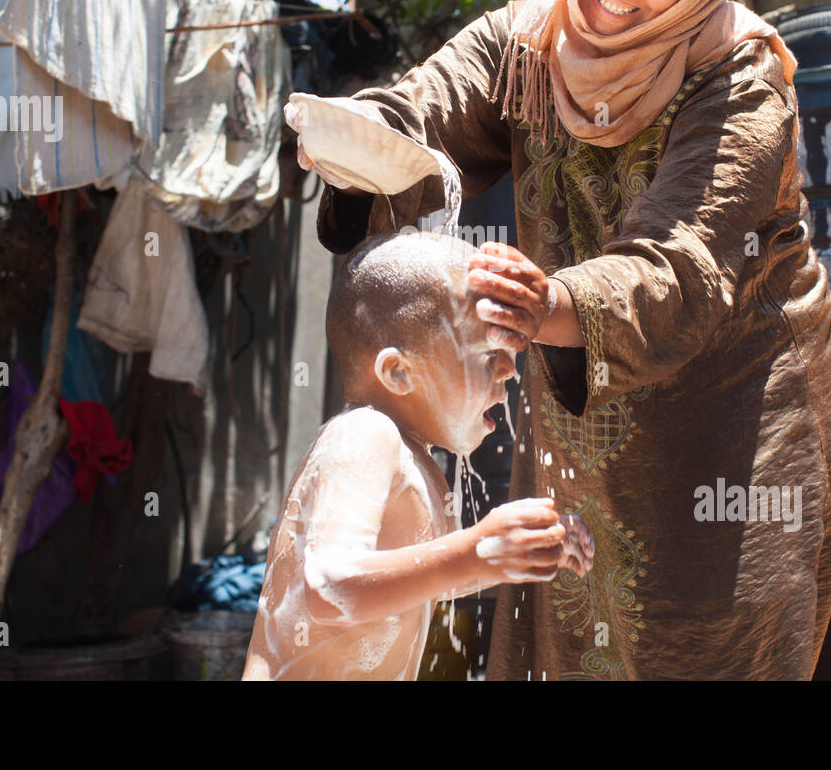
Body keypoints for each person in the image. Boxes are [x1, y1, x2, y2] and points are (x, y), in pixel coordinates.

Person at [294, 0, 831, 680]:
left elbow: (681, 266)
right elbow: (424, 113)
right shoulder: (527, 45)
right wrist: (363, 140)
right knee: (577, 635)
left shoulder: (740, 80)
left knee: (706, 646)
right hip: (587, 411)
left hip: (733, 428)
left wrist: (548, 305)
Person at [242, 230, 594, 680]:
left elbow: (427, 579)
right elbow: (327, 587)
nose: (509, 369)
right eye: (487, 353)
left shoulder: (419, 462)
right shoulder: (364, 435)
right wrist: (478, 551)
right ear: (398, 372)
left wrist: (514, 556)